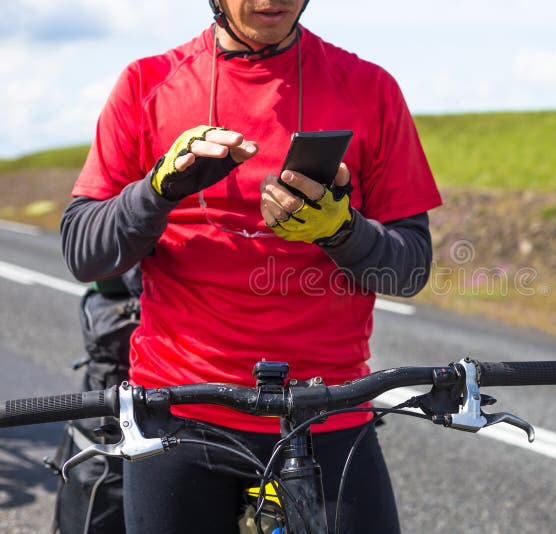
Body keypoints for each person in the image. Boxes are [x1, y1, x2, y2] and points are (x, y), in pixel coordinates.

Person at [60, 0, 442, 532]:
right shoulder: (148, 83)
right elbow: (83, 252)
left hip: (325, 405)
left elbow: (411, 269)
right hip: (180, 407)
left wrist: (342, 231)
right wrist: (155, 193)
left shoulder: (370, 88)